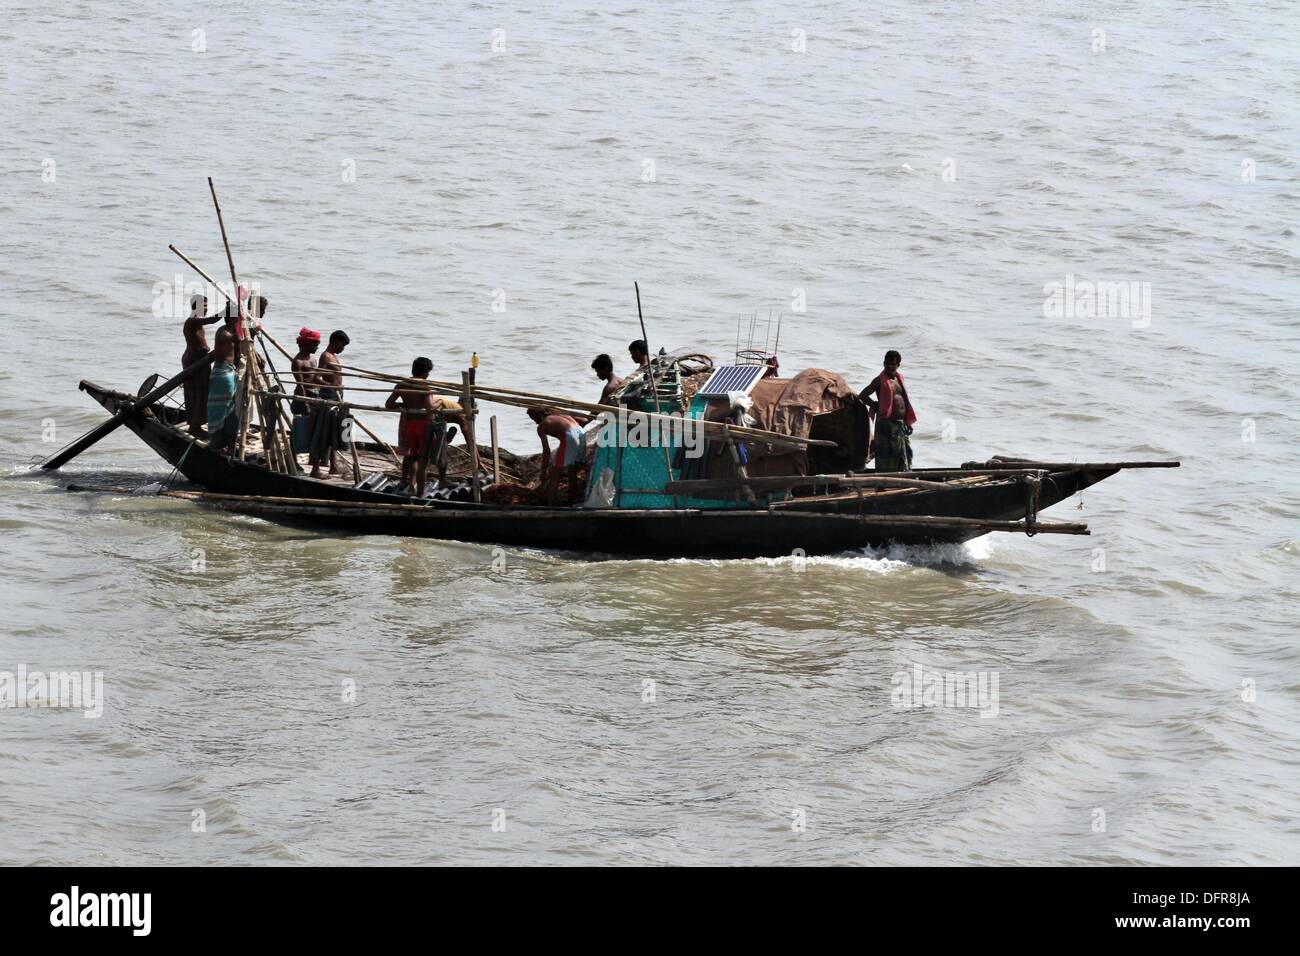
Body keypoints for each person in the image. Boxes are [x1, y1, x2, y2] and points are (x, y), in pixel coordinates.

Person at [386, 357, 461, 495]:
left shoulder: (402, 384)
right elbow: (430, 408)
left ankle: (411, 488)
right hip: (424, 426)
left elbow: (389, 404)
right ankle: (420, 494)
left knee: (413, 457)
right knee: (423, 461)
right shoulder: (424, 385)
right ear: (426, 372)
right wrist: (439, 401)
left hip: (410, 424)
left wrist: (404, 404)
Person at [860, 350, 916, 472]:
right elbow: (863, 395)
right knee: (887, 456)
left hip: (900, 424)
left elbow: (904, 401)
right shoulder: (879, 380)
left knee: (905, 453)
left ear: (898, 365)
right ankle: (883, 483)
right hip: (886, 423)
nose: (889, 366)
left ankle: (901, 481)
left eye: (893, 364)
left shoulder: (899, 379)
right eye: (887, 363)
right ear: (884, 363)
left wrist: (908, 422)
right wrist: (875, 404)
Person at [308, 330, 349, 478]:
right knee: (322, 431)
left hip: (336, 396)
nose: (342, 348)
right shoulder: (326, 356)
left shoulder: (334, 357)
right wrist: (330, 386)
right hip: (328, 396)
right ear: (334, 341)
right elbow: (316, 377)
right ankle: (315, 469)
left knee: (334, 431)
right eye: (342, 345)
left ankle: (333, 466)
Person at [528, 407, 586, 505]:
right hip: (580, 432)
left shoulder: (542, 426)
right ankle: (571, 502)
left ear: (538, 415)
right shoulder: (560, 414)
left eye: (533, 419)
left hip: (569, 436)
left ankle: (551, 506)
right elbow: (584, 420)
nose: (535, 422)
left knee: (554, 474)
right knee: (573, 473)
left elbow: (546, 451)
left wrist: (543, 472)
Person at [181, 294, 220, 435]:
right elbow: (212, 320)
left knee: (203, 392)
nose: (206, 308)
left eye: (207, 306)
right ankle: (194, 426)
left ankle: (197, 423)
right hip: (194, 360)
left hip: (200, 359)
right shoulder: (192, 321)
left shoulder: (196, 322)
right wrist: (227, 311)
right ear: (195, 306)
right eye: (204, 306)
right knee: (196, 393)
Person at [205, 323, 241, 454]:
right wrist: (251, 325)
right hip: (223, 374)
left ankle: (231, 445)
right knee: (219, 410)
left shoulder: (230, 332)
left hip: (230, 373)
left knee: (232, 409)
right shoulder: (224, 333)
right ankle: (217, 443)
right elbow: (238, 338)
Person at [290, 327, 321, 416]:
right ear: (307, 344)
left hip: (315, 393)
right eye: (315, 344)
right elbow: (300, 385)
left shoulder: (313, 359)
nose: (317, 347)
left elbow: (316, 378)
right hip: (303, 395)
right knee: (303, 421)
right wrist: (306, 403)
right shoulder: (298, 362)